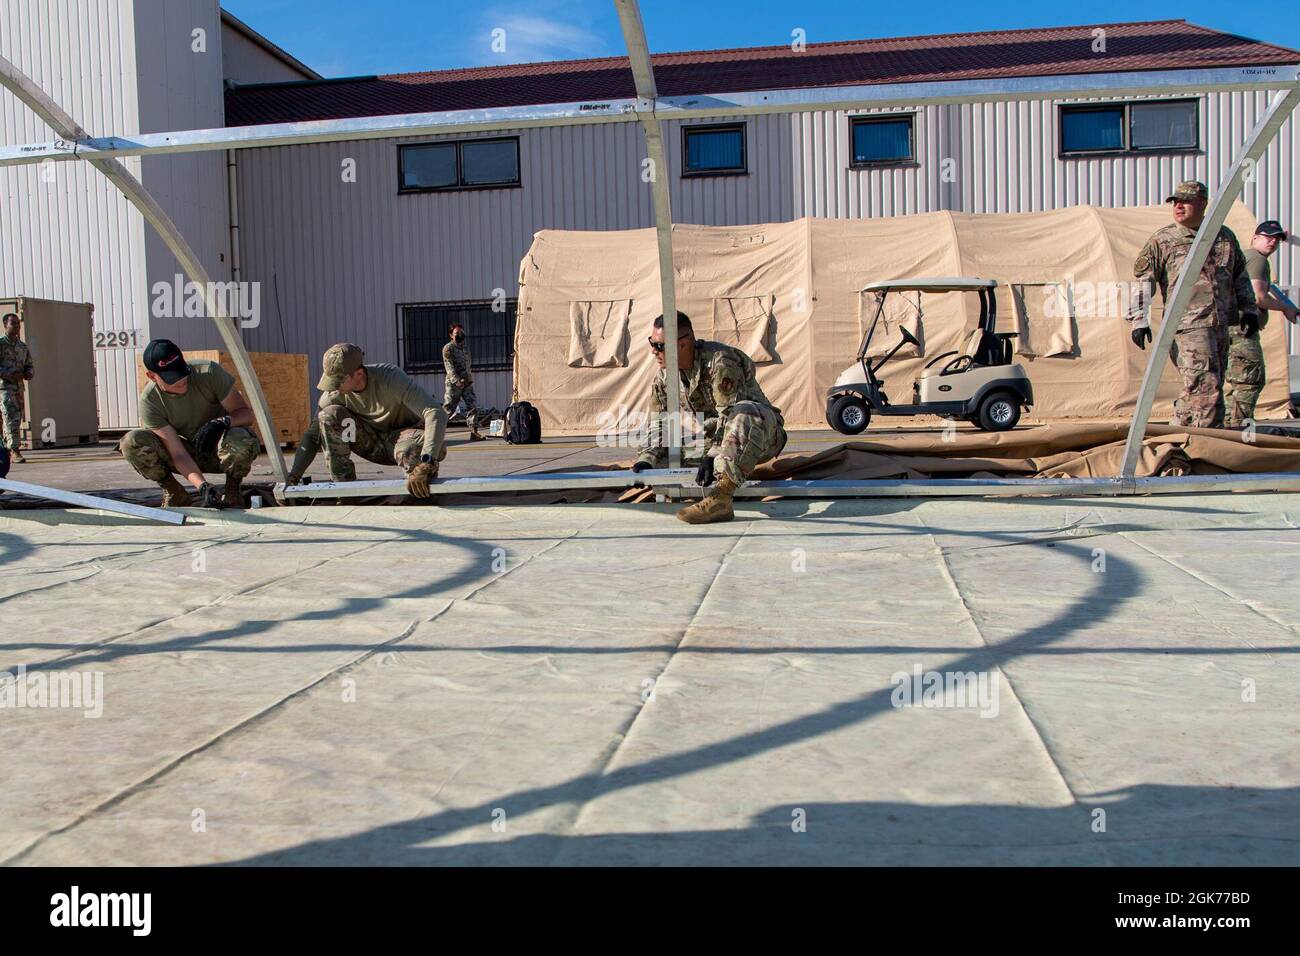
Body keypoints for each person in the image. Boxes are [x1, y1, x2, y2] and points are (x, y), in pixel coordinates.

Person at [1126, 181, 1258, 428]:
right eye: (1175, 201)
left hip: (1220, 325)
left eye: (1185, 200)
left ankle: (1178, 438)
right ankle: (1204, 447)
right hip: (1188, 327)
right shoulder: (1164, 240)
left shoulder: (1223, 236)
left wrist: (1249, 310)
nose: (1178, 205)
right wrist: (1139, 320)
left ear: (1203, 204)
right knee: (1205, 387)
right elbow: (1143, 282)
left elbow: (1239, 275)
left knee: (1202, 387)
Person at [632, 312, 786, 524]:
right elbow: (661, 421)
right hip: (717, 438)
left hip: (760, 431)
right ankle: (722, 476)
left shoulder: (720, 362)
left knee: (744, 412)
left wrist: (713, 454)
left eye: (659, 346)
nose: (653, 351)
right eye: (652, 343)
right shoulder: (666, 375)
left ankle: (720, 499)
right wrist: (647, 459)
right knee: (668, 457)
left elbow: (729, 413)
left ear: (683, 344)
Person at [288, 343, 447, 498]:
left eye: (339, 381)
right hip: (371, 443)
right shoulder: (335, 394)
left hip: (404, 443)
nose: (334, 387)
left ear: (358, 373)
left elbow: (435, 412)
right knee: (328, 415)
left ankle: (421, 489)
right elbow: (312, 436)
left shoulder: (390, 379)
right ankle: (344, 492)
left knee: (414, 450)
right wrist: (294, 476)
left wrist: (427, 460)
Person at [120, 339, 259, 508]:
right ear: (152, 376)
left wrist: (222, 422)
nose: (180, 380)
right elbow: (178, 454)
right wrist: (203, 487)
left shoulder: (209, 373)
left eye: (181, 372)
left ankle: (232, 491)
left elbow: (246, 415)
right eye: (171, 378)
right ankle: (174, 492)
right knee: (132, 442)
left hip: (223, 451)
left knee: (242, 438)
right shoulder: (150, 402)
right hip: (189, 454)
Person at [1223, 220, 1297, 427]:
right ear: (1255, 238)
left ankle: (1229, 425)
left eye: (1277, 238)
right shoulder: (1257, 260)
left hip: (1229, 326)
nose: (1273, 242)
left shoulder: (1245, 256)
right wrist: (1285, 308)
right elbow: (1259, 297)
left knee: (1235, 380)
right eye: (1268, 236)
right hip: (1242, 329)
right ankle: (1239, 428)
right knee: (1250, 379)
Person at [442, 324, 486, 441]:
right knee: (448, 409)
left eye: (462, 333)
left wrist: (469, 379)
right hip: (454, 384)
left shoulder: (464, 348)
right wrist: (456, 381)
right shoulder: (448, 348)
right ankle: (436, 432)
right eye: (457, 334)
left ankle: (474, 432)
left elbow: (467, 366)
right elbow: (449, 367)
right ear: (451, 335)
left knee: (472, 406)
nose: (460, 336)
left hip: (466, 383)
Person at [0, 312, 34, 464]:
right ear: (5, 325)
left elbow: (29, 364)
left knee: (16, 418)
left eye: (18, 323)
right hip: (4, 388)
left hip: (18, 388)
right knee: (9, 417)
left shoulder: (22, 346)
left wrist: (28, 373)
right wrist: (8, 374)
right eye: (13, 323)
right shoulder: (1, 345)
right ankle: (13, 450)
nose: (17, 326)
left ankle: (7, 448)